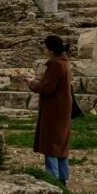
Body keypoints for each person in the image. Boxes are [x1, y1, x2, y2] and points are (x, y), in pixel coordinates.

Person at [29, 34, 75, 184]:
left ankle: (52, 181)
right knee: (60, 144)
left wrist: (32, 83)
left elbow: (48, 88)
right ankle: (62, 178)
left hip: (54, 109)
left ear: (50, 49)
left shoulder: (55, 64)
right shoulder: (64, 63)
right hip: (62, 108)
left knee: (51, 145)